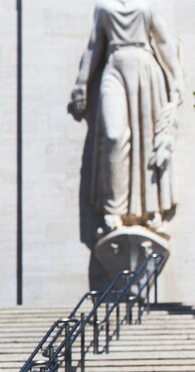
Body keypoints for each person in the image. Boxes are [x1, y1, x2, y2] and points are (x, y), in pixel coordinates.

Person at [69, 0, 182, 232]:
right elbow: (94, 46)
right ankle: (113, 208)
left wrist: (176, 77)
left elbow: (163, 41)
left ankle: (152, 209)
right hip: (114, 68)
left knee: (147, 139)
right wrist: (82, 84)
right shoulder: (103, 6)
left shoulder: (148, 4)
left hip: (144, 70)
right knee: (113, 135)